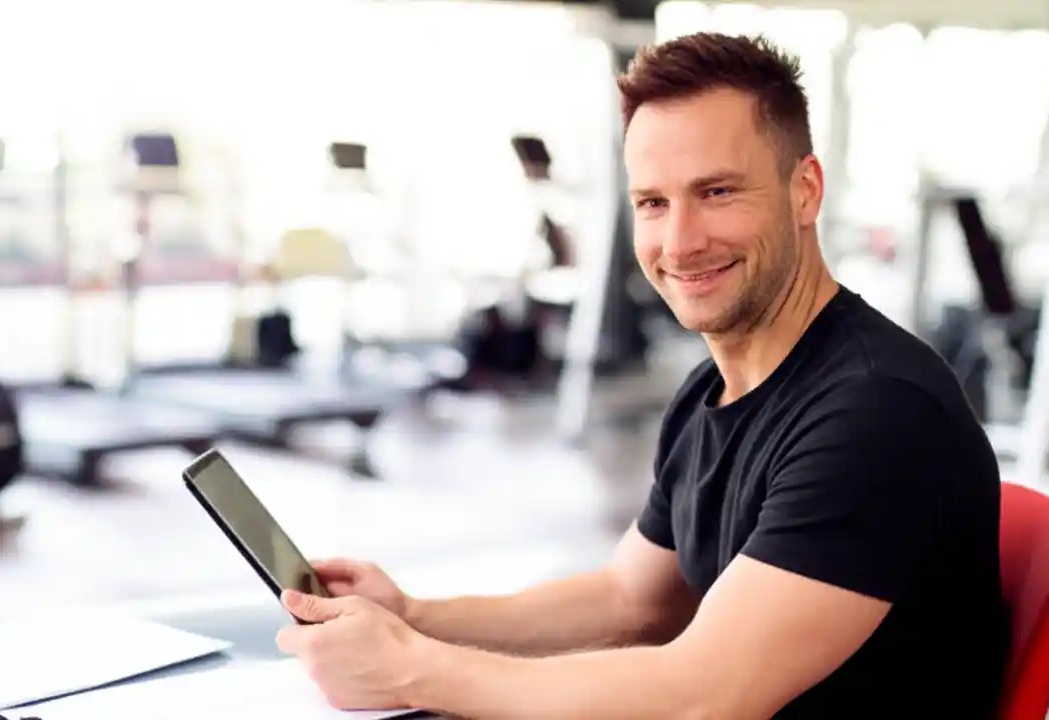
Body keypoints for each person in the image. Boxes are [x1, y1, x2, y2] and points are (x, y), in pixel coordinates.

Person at [275, 32, 1008, 718]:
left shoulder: (877, 412)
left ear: (805, 190)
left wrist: (412, 668)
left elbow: (704, 695)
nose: (680, 242)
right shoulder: (713, 390)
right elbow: (632, 598)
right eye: (654, 204)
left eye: (717, 192)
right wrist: (415, 618)